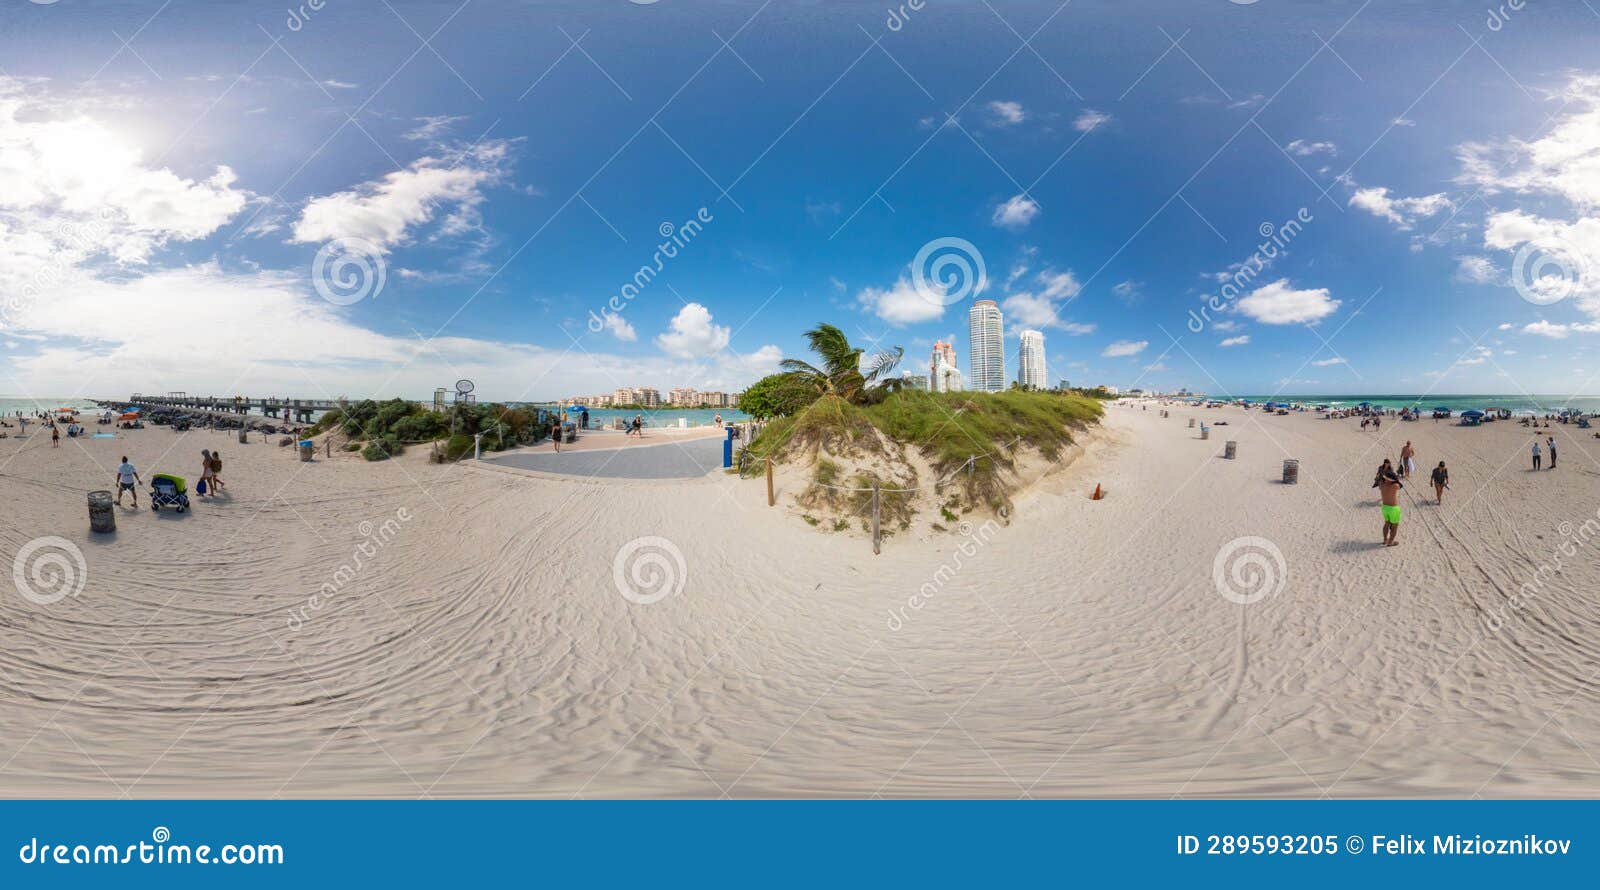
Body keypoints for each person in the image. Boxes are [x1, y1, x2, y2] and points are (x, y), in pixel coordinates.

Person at [1374, 468, 1404, 547]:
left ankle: (1385, 540)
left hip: (1384, 507)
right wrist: (1396, 479)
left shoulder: (1381, 484)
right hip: (1393, 508)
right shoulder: (1395, 486)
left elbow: (1381, 480)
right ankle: (1391, 541)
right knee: (1395, 525)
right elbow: (1400, 485)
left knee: (1386, 523)